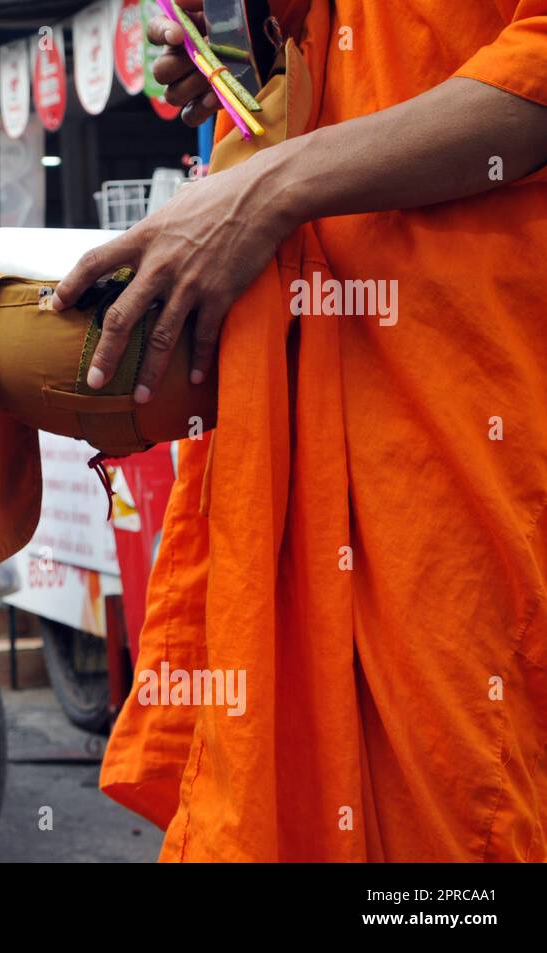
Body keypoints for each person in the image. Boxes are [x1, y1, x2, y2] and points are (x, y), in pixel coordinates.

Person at [55, 0, 547, 861]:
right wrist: (245, 45)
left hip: (458, 380)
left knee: (463, 796)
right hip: (294, 385)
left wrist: (273, 185)